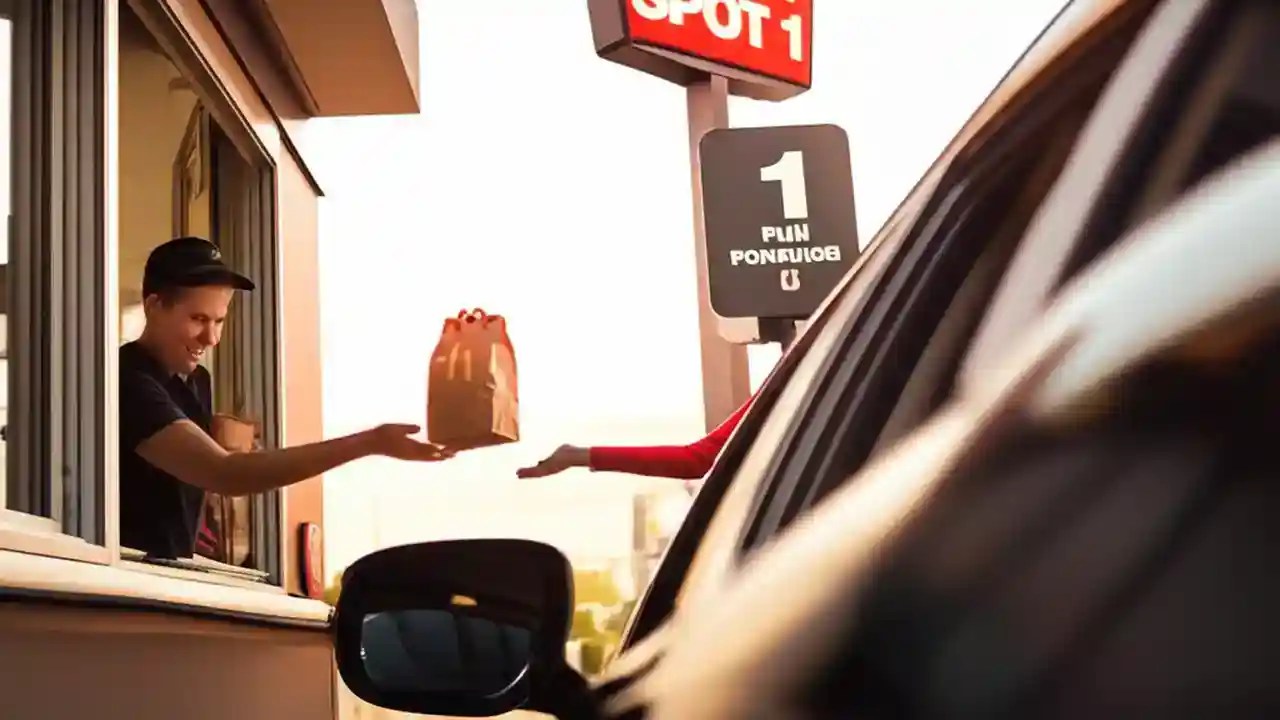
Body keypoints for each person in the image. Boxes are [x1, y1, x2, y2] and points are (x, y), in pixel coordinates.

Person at [121, 236, 452, 559]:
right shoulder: (128, 379)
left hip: (168, 578)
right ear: (154, 307)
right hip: (127, 583)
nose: (211, 337)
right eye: (198, 319)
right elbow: (224, 473)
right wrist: (371, 442)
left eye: (219, 321)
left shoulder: (196, 381)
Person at [516, 395, 754, 482]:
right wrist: (581, 456)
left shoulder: (791, 374)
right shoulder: (791, 376)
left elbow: (699, 460)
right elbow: (701, 459)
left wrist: (581, 456)